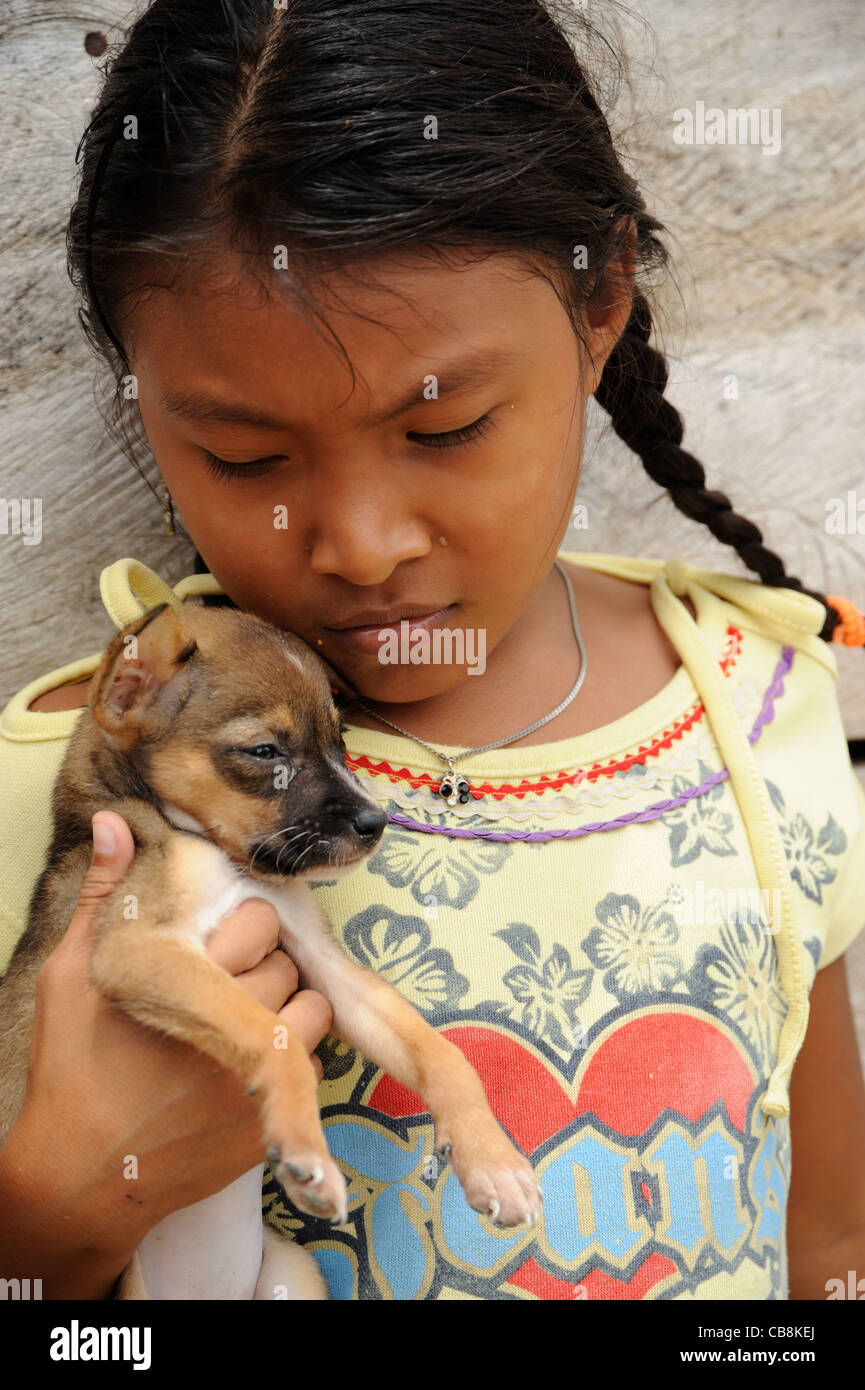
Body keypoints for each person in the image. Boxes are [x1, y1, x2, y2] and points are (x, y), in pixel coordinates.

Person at [1, 0, 864, 1301]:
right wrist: (51, 1226)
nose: (358, 543)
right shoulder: (72, 798)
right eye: (248, 456)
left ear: (598, 304)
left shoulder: (762, 724)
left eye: (444, 426)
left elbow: (831, 1252)